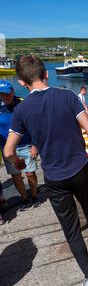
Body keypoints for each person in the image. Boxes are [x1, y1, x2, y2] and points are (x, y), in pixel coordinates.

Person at [4, 55, 88, 286]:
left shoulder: (22, 110)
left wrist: (18, 162)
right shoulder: (68, 96)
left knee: (71, 230)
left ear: (22, 82)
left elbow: (8, 150)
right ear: (46, 74)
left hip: (55, 178)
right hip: (80, 170)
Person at [0, 80, 39, 211]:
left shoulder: (22, 103)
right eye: (1, 95)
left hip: (26, 145)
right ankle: (24, 198)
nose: (5, 97)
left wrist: (35, 145)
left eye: (7, 94)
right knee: (16, 175)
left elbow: (34, 125)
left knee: (30, 173)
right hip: (8, 149)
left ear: (12, 92)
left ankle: (34, 195)